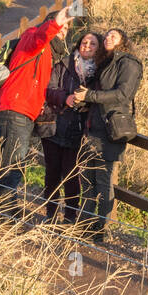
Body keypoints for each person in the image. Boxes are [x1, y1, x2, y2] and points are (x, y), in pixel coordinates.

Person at [0, 7, 69, 219]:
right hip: (15, 109)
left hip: (22, 112)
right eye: (61, 27)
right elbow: (41, 36)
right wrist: (56, 22)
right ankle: (6, 212)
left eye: (66, 29)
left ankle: (7, 206)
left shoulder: (49, 53)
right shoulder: (33, 39)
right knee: (14, 162)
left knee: (14, 160)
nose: (64, 32)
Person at [74, 29, 142, 243]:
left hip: (110, 129)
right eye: (106, 36)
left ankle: (100, 229)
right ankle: (84, 225)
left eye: (113, 36)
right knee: (87, 179)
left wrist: (90, 96)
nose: (107, 39)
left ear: (123, 42)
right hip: (92, 128)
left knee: (103, 181)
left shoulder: (129, 63)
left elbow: (123, 94)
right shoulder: (105, 62)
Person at [40, 30, 100, 225]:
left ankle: (70, 217)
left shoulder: (100, 73)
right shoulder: (64, 64)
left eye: (92, 44)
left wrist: (84, 101)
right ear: (78, 44)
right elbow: (49, 89)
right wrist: (65, 98)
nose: (87, 46)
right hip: (55, 125)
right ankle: (50, 213)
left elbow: (100, 100)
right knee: (52, 173)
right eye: (84, 42)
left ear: (98, 49)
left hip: (79, 130)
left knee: (72, 176)